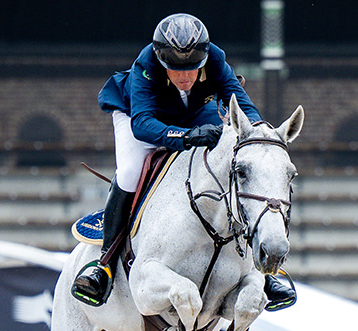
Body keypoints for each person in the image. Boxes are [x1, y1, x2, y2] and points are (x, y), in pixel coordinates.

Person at [71, 12, 297, 312]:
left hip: (191, 113)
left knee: (230, 165)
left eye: (192, 69)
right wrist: (188, 137)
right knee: (129, 172)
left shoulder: (215, 58)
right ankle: (105, 265)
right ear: (161, 61)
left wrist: (256, 136)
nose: (185, 77)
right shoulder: (146, 65)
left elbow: (241, 103)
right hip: (140, 116)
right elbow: (143, 124)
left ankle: (264, 271)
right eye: (176, 70)